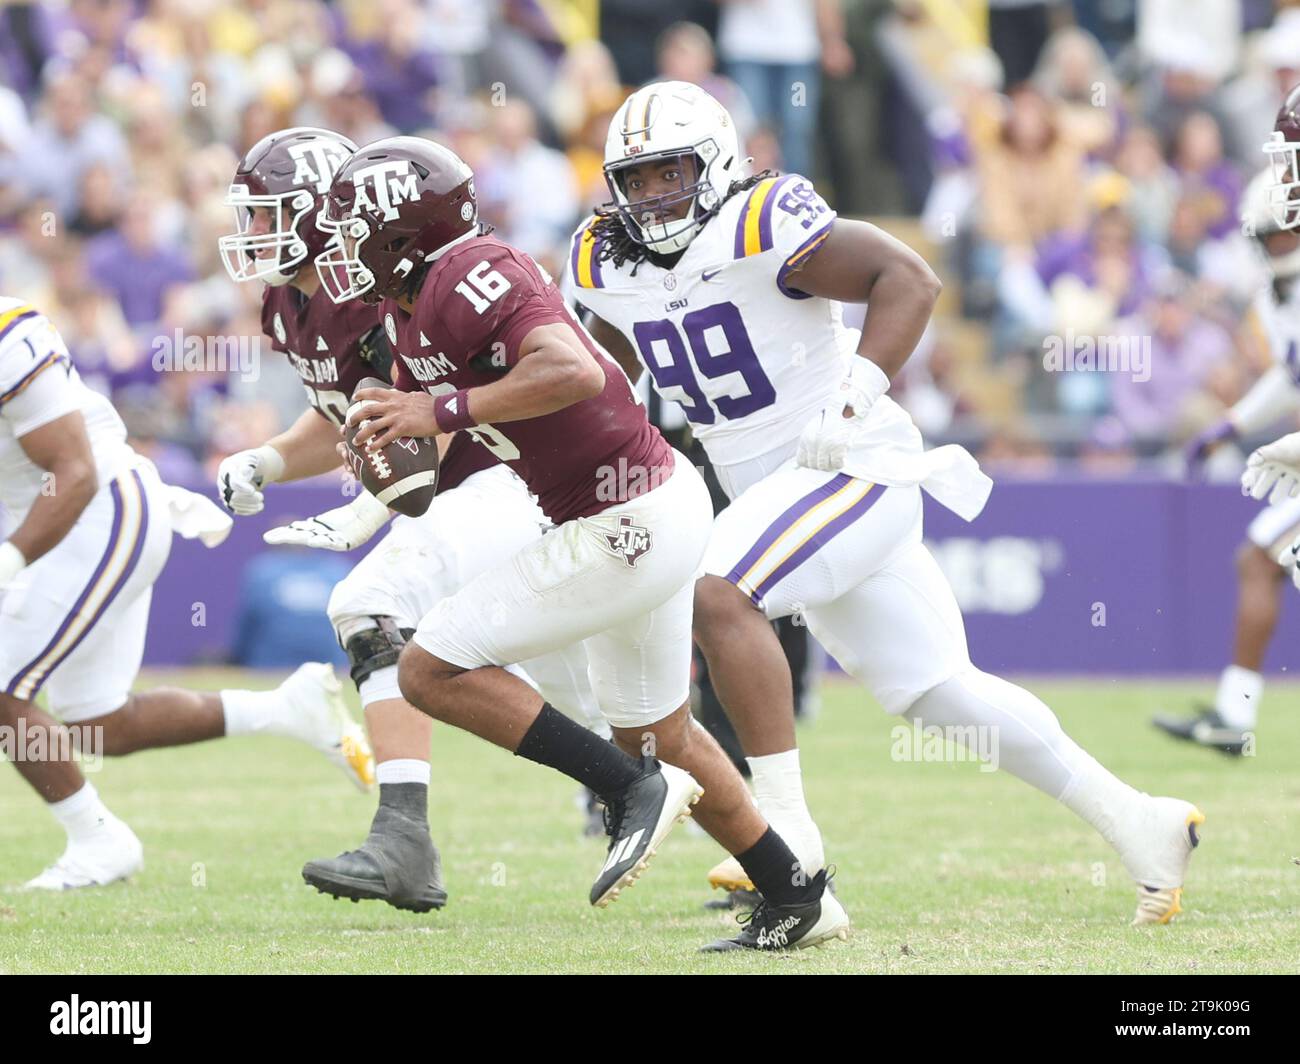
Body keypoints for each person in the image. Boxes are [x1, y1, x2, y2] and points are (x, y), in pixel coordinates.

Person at [569, 80, 1204, 926]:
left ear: (715, 162)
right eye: (637, 178)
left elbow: (908, 277)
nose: (652, 196)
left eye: (671, 172)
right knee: (942, 692)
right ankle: (1142, 822)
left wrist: (852, 398)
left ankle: (785, 834)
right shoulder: (599, 261)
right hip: (775, 493)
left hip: (849, 466)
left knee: (718, 590)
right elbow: (611, 372)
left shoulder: (760, 220)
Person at [316, 134, 849, 950]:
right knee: (662, 731)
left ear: (403, 231)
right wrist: (388, 448)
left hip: (626, 519)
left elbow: (574, 370)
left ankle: (626, 789)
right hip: (642, 511)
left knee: (427, 667)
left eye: (357, 229)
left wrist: (435, 412)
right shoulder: (412, 304)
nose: (344, 249)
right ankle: (795, 895)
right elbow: (435, 470)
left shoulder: (467, 273)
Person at [217, 127, 602, 912]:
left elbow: (426, 408)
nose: (253, 234)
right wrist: (269, 460)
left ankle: (408, 839)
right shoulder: (289, 303)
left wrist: (370, 501)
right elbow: (343, 417)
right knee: (595, 697)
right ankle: (643, 791)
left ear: (323, 211)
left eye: (269, 215)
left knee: (376, 609)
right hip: (452, 505)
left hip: (503, 486)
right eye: (250, 217)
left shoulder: (371, 286)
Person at [0, 297, 371, 890]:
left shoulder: (8, 334)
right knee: (102, 722)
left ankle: (99, 840)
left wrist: (10, 559)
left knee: (2, 689)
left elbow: (72, 471)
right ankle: (285, 709)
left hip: (95, 509)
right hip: (65, 520)